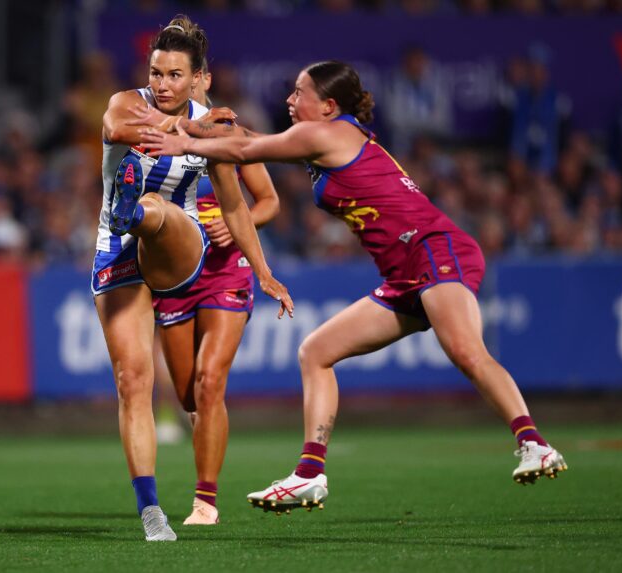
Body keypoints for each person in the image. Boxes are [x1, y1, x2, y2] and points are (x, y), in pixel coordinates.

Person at [135, 60, 567, 514]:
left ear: (328, 105)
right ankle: (309, 474)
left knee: (465, 350)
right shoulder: (318, 137)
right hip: (404, 274)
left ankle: (533, 443)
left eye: (299, 92)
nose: (289, 100)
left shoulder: (329, 133)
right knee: (316, 353)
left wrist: (183, 140)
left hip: (433, 249)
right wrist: (193, 125)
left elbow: (245, 149)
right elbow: (248, 139)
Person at [93, 15, 292, 541]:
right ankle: (151, 513)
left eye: (174, 75)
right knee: (134, 381)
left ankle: (137, 211)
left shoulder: (214, 129)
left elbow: (238, 205)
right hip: (117, 256)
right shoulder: (127, 102)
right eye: (156, 73)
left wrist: (264, 271)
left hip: (182, 248)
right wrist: (192, 131)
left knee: (161, 210)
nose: (161, 84)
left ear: (197, 78)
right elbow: (116, 130)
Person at [152, 61, 280, 525]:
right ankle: (205, 428)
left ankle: (205, 501)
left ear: (204, 80)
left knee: (210, 381)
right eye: (165, 76)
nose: (176, 84)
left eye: (187, 76)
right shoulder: (158, 134)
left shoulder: (233, 136)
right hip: (174, 278)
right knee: (190, 396)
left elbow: (268, 202)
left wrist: (237, 223)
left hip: (227, 272)